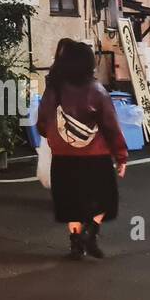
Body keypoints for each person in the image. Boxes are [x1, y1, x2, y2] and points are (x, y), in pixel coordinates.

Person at [36, 40, 127, 259]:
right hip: (96, 157)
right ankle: (91, 232)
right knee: (107, 200)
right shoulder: (97, 90)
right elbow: (111, 127)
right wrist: (121, 157)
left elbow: (42, 123)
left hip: (63, 158)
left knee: (70, 204)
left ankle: (76, 245)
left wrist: (54, 139)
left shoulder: (54, 90)